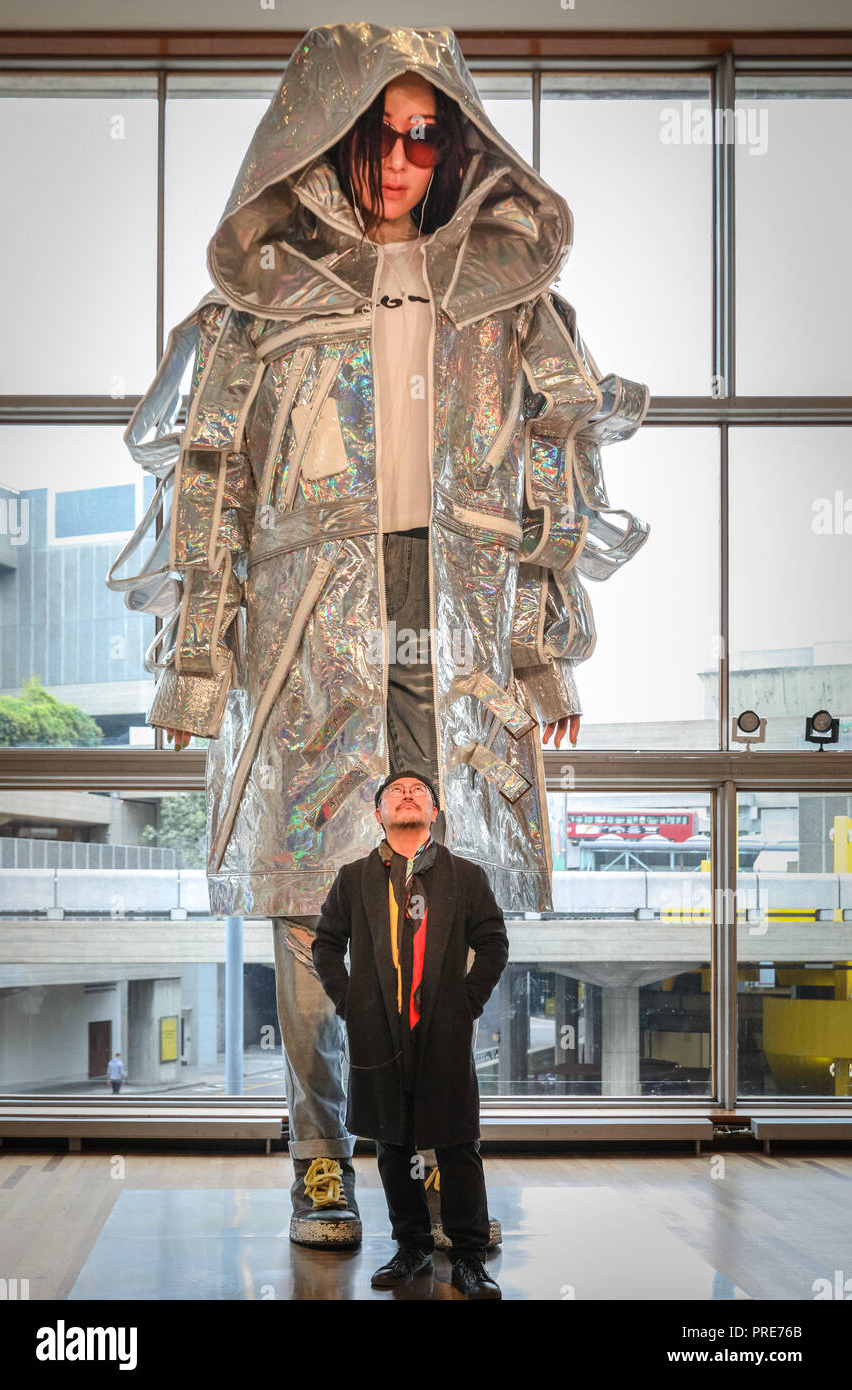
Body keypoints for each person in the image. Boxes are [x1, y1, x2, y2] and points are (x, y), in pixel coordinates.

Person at [107, 21, 648, 1251]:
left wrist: (539, 651)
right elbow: (213, 488)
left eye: (427, 133)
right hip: (307, 623)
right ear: (326, 134)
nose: (403, 159)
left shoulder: (509, 297)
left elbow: (544, 486)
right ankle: (317, 1158)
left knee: (441, 901)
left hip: (447, 618)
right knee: (308, 897)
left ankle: (431, 1148)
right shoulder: (260, 304)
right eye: (380, 132)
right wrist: (196, 662)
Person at [313, 769, 508, 1298]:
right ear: (378, 813)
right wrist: (351, 1001)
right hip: (379, 1031)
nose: (407, 793)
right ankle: (413, 1245)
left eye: (419, 790)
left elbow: (493, 943)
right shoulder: (354, 878)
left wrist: (466, 1002)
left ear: (434, 813)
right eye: (395, 791)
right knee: (392, 1144)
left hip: (442, 1030)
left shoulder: (465, 876)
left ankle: (469, 1257)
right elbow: (326, 944)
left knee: (458, 1144)